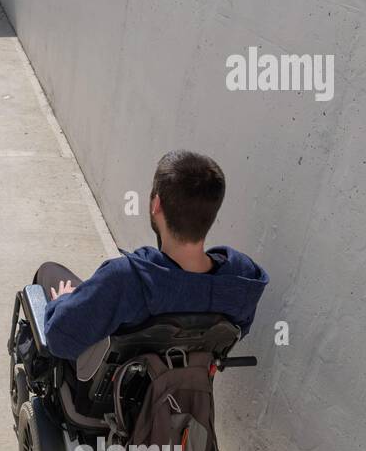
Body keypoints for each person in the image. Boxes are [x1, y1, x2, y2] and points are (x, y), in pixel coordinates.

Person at [34, 150, 268, 362]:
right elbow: (237, 331)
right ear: (212, 212)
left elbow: (60, 340)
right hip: (179, 389)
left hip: (104, 396)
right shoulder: (241, 279)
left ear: (156, 204)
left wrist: (62, 302)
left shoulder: (125, 279)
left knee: (49, 272)